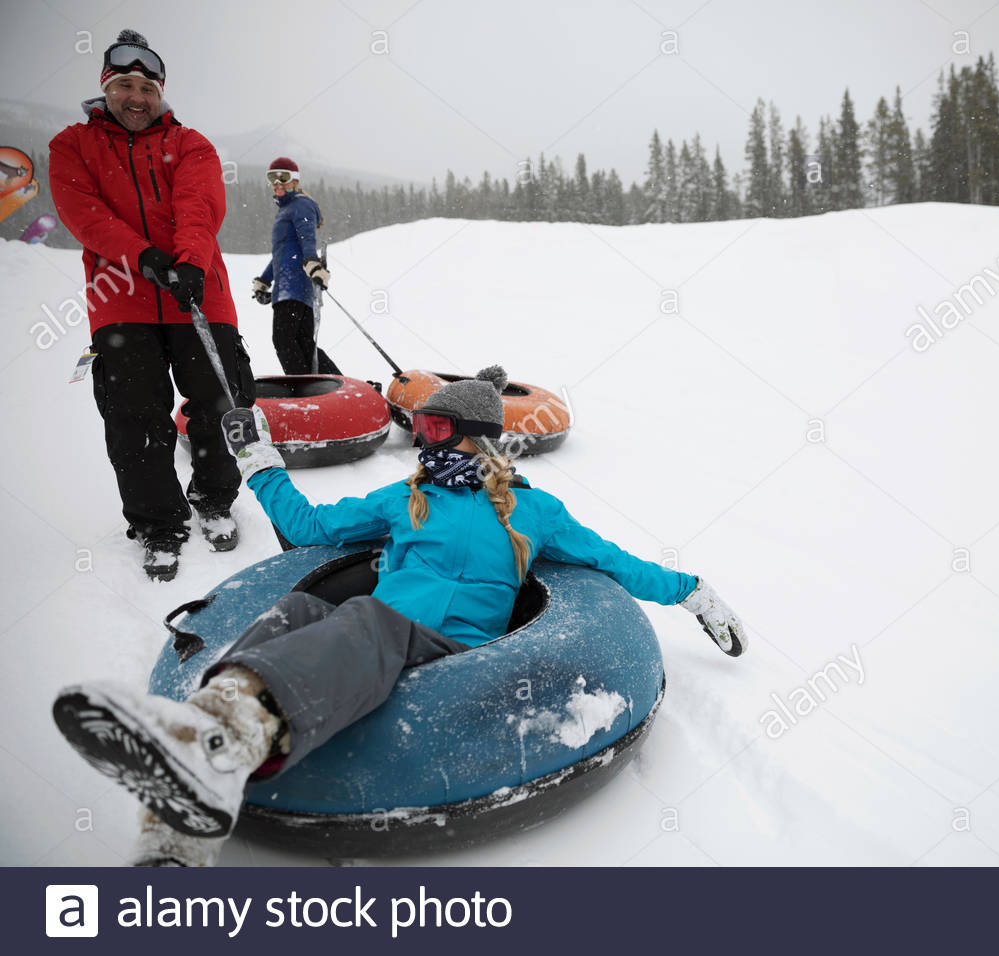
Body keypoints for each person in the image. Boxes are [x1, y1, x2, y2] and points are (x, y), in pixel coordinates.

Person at [53, 366, 747, 866]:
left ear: (475, 436)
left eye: (438, 427)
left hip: (454, 650)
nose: (424, 440)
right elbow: (312, 527)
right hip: (382, 631)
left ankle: (224, 739)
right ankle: (179, 819)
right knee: (298, 607)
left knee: (364, 622)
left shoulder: (535, 512)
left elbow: (617, 562)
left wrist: (692, 592)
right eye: (421, 426)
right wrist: (257, 459)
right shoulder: (405, 499)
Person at [48, 29, 253, 580]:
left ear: (160, 92)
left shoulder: (190, 143)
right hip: (121, 301)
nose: (136, 97)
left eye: (146, 87)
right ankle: (159, 523)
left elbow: (199, 203)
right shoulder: (72, 145)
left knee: (219, 400)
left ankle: (213, 498)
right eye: (124, 86)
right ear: (105, 90)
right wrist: (142, 258)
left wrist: (187, 261)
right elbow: (83, 213)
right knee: (136, 417)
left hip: (200, 294)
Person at [252, 157, 341, 375]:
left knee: (284, 339)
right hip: (287, 286)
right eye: (272, 178)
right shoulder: (286, 209)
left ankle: (303, 388)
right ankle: (335, 387)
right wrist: (265, 280)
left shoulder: (301, 205)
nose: (277, 183)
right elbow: (281, 254)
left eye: (283, 177)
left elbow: (307, 238)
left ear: (295, 180)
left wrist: (313, 262)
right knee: (302, 343)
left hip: (294, 285)